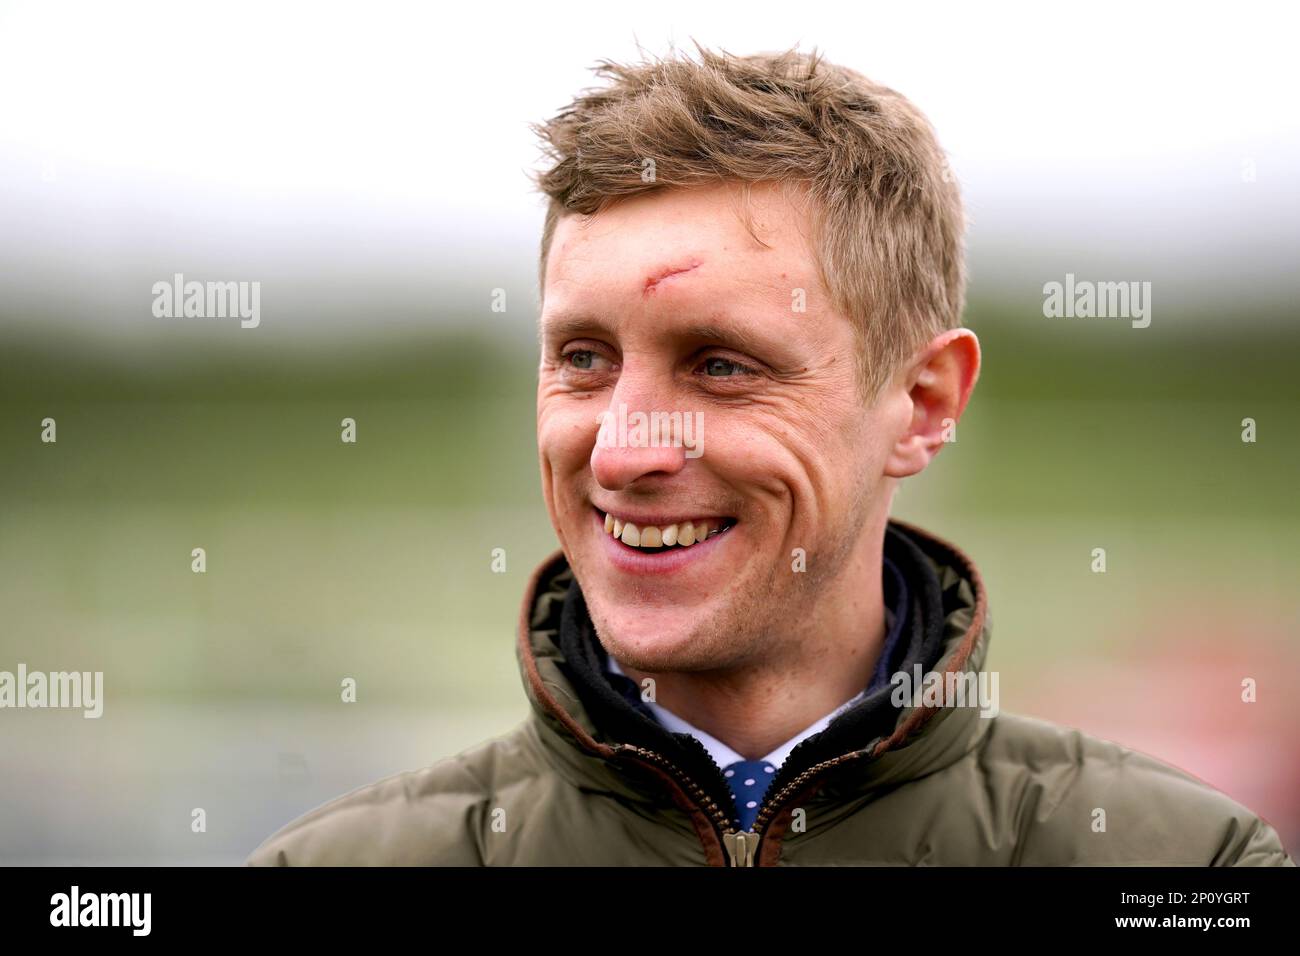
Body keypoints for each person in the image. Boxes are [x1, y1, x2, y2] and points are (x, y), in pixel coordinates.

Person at [248, 44, 1293, 866]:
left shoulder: (1187, 865)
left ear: (924, 403)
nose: (621, 449)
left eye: (721, 364)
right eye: (582, 357)